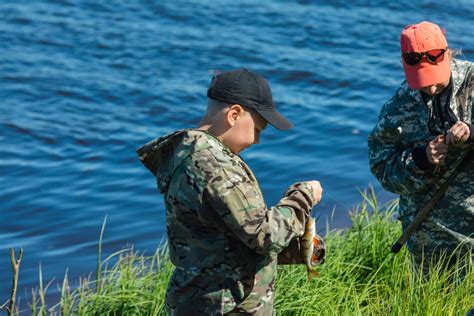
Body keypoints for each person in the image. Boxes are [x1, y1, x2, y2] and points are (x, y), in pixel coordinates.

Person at [137, 68, 323, 315]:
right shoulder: (213, 165)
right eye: (257, 129)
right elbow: (264, 234)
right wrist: (303, 197)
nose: (256, 140)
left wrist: (298, 249)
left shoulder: (194, 155)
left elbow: (221, 243)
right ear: (235, 114)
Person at [368, 21, 474, 277]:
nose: (431, 88)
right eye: (422, 81)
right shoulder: (397, 108)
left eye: (436, 79)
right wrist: (421, 159)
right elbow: (382, 167)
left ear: (447, 55)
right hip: (428, 236)